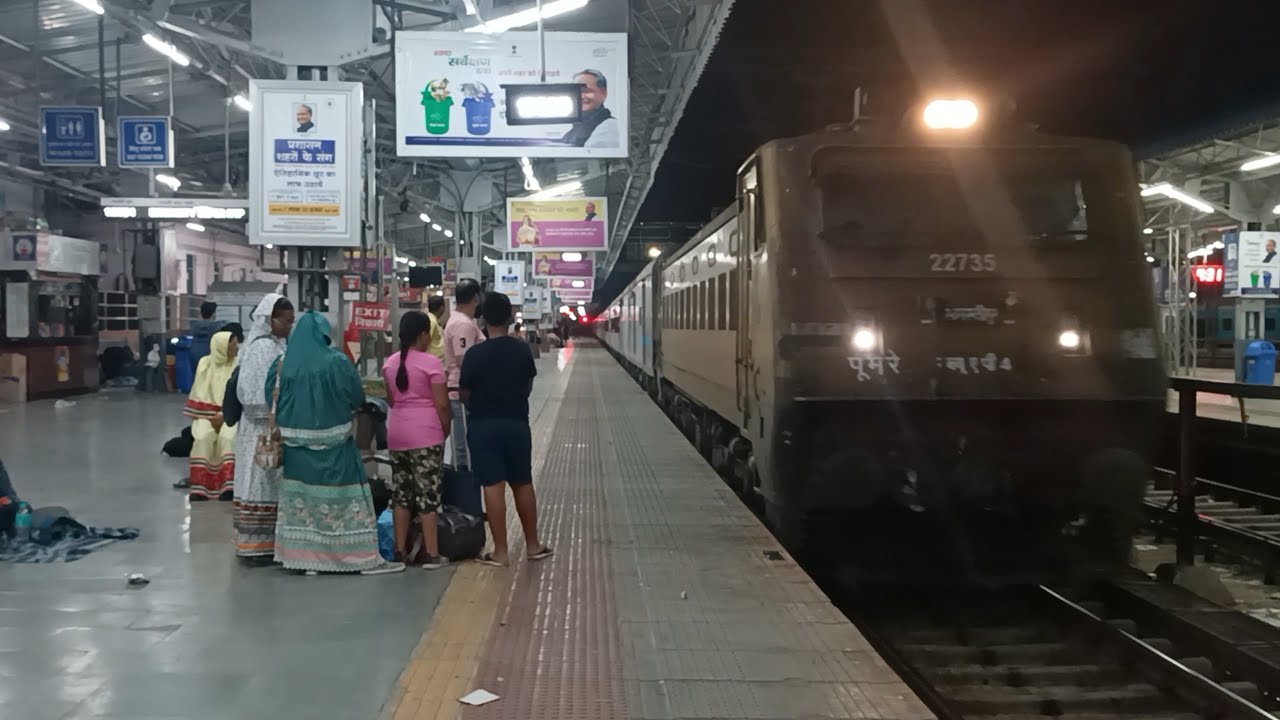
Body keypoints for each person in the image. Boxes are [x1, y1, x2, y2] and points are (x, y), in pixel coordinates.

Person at [267, 311, 404, 575]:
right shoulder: (337, 362)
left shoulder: (282, 363)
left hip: (296, 450)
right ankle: (359, 558)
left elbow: (268, 395)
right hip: (335, 446)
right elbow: (356, 395)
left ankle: (310, 560)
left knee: (304, 503)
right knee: (347, 498)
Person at [459, 292, 551, 566]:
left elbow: (464, 393)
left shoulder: (475, 354)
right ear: (510, 319)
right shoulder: (521, 349)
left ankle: (500, 551)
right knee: (522, 482)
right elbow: (528, 385)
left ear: (484, 319)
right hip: (516, 424)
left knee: (492, 485)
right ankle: (533, 546)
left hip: (484, 425)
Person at [382, 311, 451, 569]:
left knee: (401, 494)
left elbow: (391, 400)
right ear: (423, 335)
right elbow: (442, 405)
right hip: (426, 433)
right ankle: (432, 554)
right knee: (427, 494)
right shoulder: (431, 363)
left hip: (397, 433)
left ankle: (399, 552)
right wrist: (442, 431)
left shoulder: (389, 363)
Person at [231, 294, 294, 562]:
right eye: (286, 321)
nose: (290, 326)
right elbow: (255, 394)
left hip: (267, 425)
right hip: (261, 428)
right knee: (259, 479)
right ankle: (257, 547)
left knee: (266, 481)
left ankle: (266, 544)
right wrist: (277, 414)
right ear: (271, 320)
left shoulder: (276, 345)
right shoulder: (262, 348)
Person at [184, 331, 238, 501]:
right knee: (202, 437)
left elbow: (238, 394)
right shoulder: (205, 363)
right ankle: (200, 488)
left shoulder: (237, 365)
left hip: (231, 414)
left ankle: (229, 487)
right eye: (233, 344)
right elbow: (200, 391)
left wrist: (224, 414)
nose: (237, 348)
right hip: (205, 414)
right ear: (222, 347)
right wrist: (211, 416)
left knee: (228, 438)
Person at [443, 279, 485, 471]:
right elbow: (465, 361)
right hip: (462, 393)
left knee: (463, 442)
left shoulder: (463, 321)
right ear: (475, 297)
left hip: (462, 391)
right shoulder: (463, 325)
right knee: (464, 448)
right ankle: (465, 490)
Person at [560, 69, 620, 148]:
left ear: (603, 93)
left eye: (586, 91)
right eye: (576, 92)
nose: (581, 96)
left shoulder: (610, 127)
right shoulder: (569, 135)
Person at [189, 301, 224, 369]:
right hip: (210, 358)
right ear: (213, 314)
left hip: (195, 358)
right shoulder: (216, 327)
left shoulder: (195, 326)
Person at [426, 295, 447, 362]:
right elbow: (425, 341)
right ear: (441, 307)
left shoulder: (434, 319)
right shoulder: (431, 321)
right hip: (432, 361)